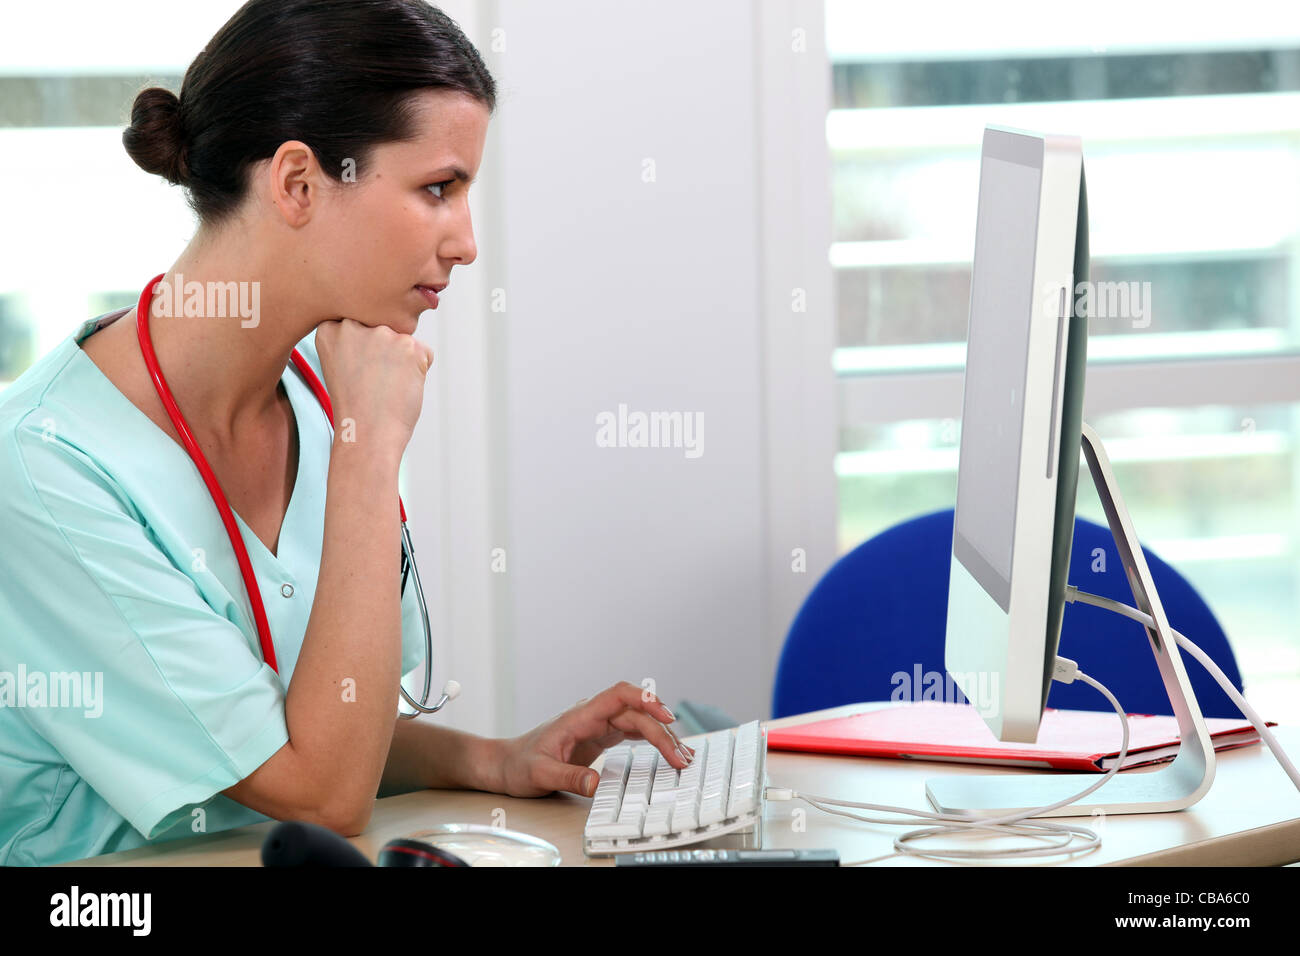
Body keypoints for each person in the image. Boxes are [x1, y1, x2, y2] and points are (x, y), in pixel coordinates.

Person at [0, 0, 692, 866]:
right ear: (296, 183)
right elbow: (318, 793)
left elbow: (300, 728)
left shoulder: (317, 399)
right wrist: (369, 457)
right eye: (438, 189)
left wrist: (496, 759)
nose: (467, 243)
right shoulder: (40, 465)